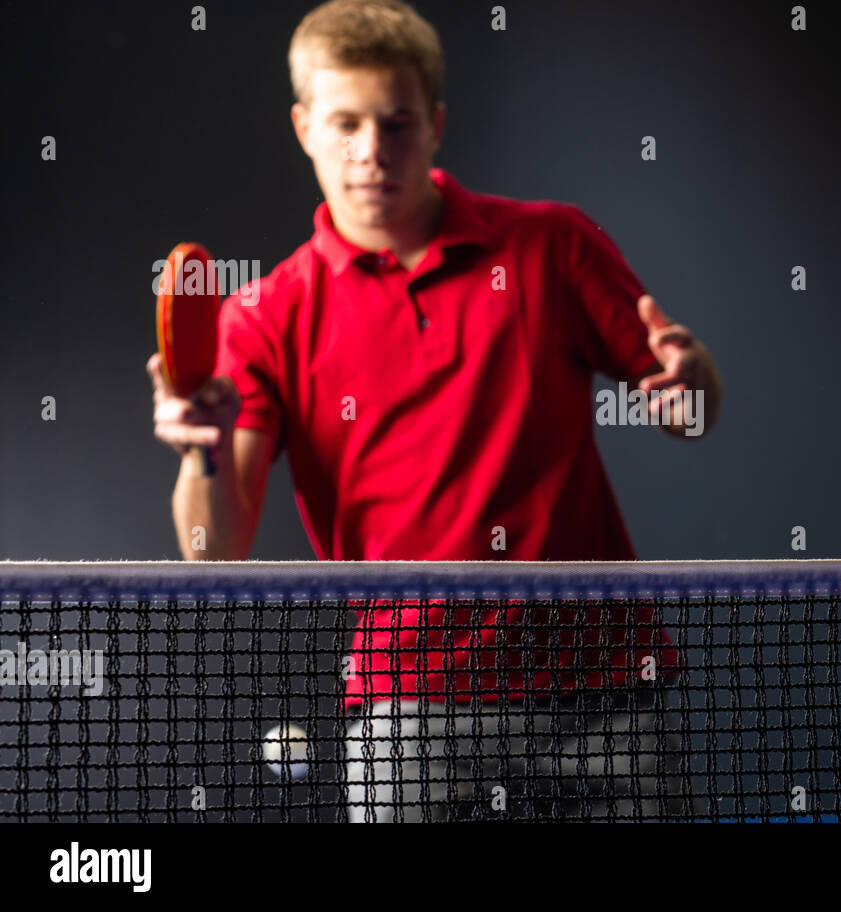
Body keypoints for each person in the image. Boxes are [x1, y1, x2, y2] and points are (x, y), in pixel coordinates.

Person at [146, 0, 722, 821]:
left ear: (438, 124)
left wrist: (694, 384)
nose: (371, 152)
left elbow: (691, 415)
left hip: (604, 693)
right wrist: (198, 452)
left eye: (397, 123)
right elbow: (215, 552)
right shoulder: (263, 316)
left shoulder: (551, 246)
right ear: (304, 126)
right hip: (413, 709)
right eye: (345, 123)